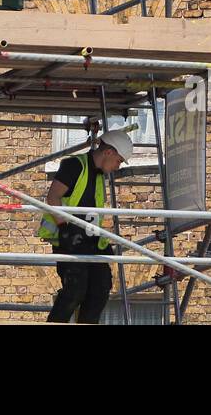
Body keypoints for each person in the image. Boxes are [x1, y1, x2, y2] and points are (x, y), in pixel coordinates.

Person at [37, 129, 132, 323]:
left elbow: (92, 214)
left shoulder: (98, 176)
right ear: (108, 152)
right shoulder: (75, 165)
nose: (117, 167)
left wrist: (101, 242)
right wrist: (65, 231)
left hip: (90, 243)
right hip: (69, 240)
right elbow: (53, 197)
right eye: (119, 161)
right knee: (75, 290)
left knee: (100, 289)